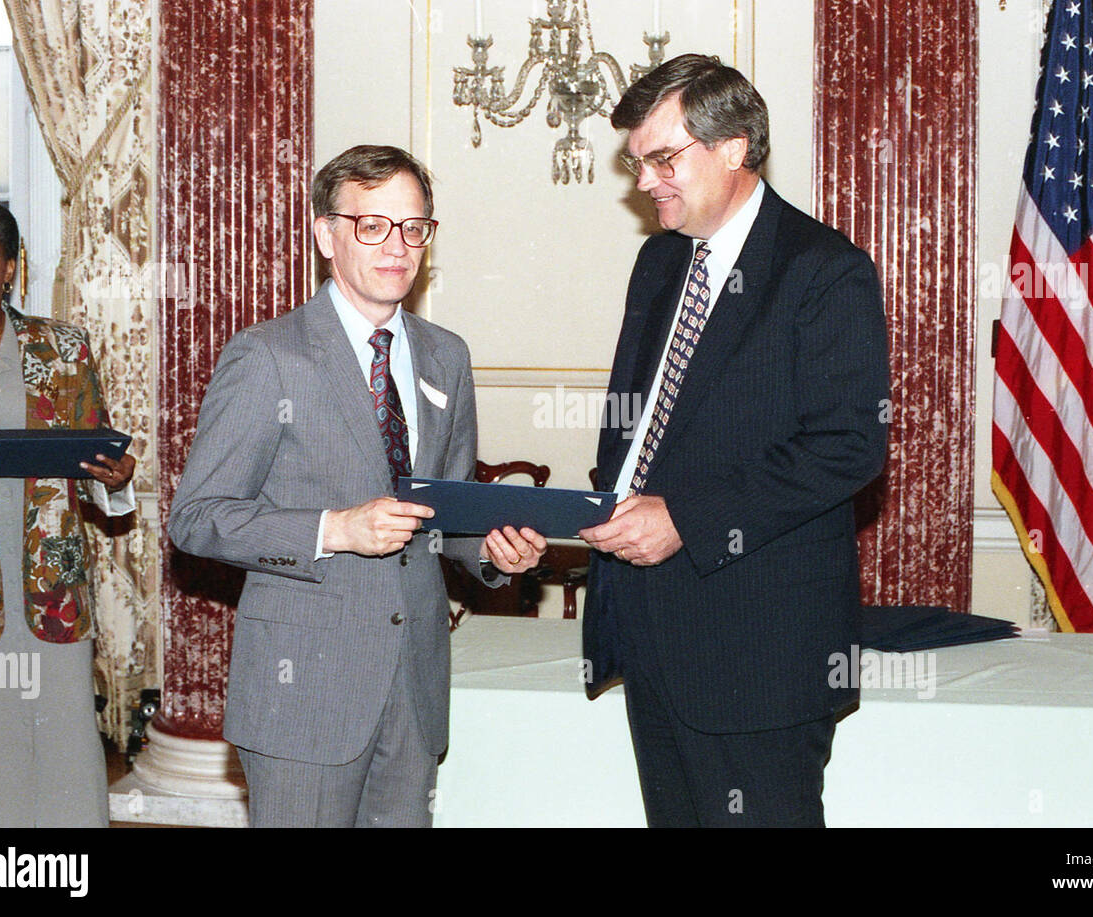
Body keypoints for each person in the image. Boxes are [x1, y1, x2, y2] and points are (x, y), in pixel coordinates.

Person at [168, 145, 546, 828]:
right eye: (372, 225)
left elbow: (446, 510)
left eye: (413, 226)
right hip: (303, 694)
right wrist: (334, 529)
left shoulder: (445, 355)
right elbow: (196, 518)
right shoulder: (268, 355)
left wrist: (493, 552)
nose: (397, 246)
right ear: (324, 234)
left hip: (414, 687)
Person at [579, 55, 890, 827]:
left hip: (759, 657)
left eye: (662, 158)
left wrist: (684, 514)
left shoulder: (825, 270)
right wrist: (588, 506)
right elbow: (633, 430)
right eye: (636, 162)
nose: (645, 180)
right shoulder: (657, 262)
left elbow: (849, 445)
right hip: (651, 635)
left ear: (733, 147)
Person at [0, 197, 136, 827]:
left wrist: (115, 476)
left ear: (12, 265)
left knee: (62, 743)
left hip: (51, 586)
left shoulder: (63, 349)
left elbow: (96, 451)